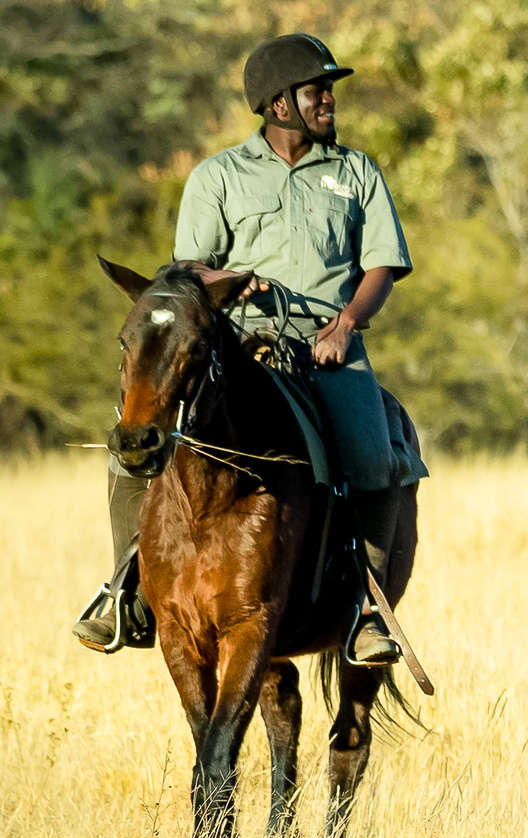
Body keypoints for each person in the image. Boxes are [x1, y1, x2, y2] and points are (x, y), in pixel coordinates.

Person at [73, 33, 425, 664]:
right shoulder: (217, 177)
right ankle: (124, 587)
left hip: (329, 347)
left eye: (329, 91)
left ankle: (368, 612)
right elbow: (188, 270)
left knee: (375, 458)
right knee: (128, 448)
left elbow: (382, 267)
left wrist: (345, 325)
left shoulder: (357, 172)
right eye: (317, 90)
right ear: (279, 105)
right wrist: (229, 284)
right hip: (234, 349)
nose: (329, 101)